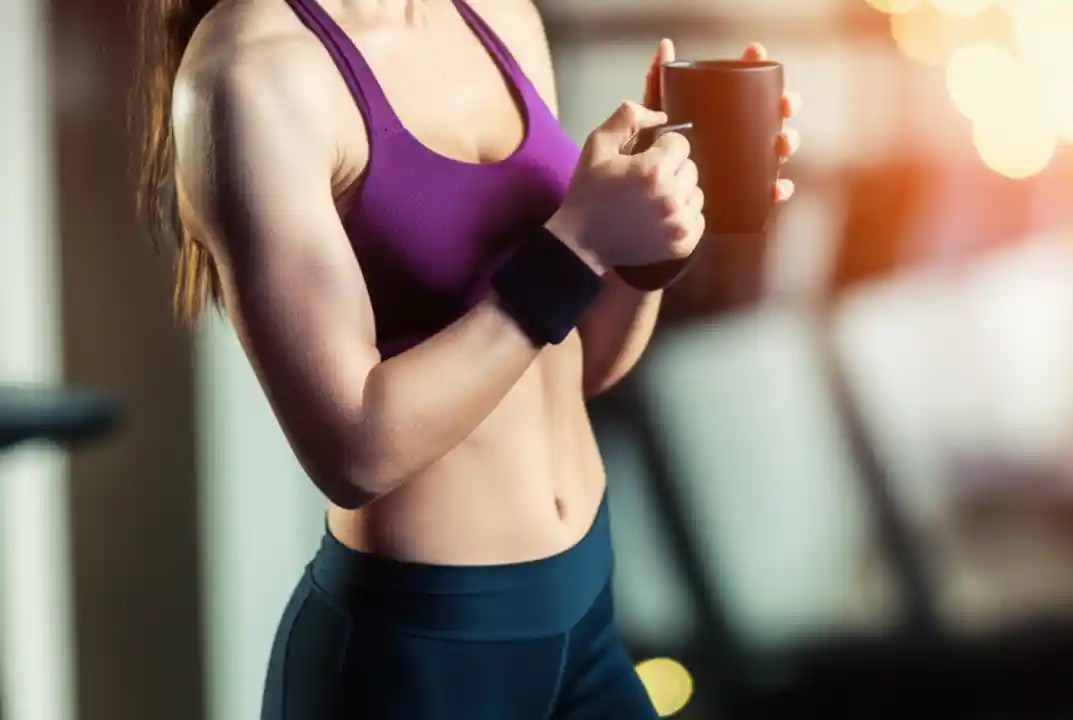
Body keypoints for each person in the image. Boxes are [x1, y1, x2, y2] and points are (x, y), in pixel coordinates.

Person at [135, 0, 800, 717]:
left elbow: (578, 364)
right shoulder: (252, 75)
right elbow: (353, 451)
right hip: (423, 655)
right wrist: (578, 246)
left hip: (588, 619)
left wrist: (650, 235)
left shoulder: (497, 14)